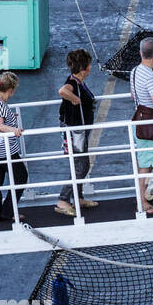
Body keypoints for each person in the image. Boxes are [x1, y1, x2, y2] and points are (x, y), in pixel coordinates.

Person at [55, 49, 97, 217]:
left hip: (80, 130)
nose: (91, 67)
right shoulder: (73, 84)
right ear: (83, 68)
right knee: (81, 166)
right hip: (75, 132)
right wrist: (75, 99)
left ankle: (78, 197)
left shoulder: (79, 82)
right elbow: (62, 91)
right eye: (89, 65)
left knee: (80, 164)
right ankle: (63, 199)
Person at [0, 71, 28, 225]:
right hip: (5, 149)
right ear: (11, 90)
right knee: (21, 176)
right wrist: (14, 130)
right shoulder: (1, 106)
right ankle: (8, 211)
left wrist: (9, 116)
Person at [130, 37, 153, 218]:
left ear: (141, 53)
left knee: (145, 163)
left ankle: (145, 196)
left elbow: (133, 95)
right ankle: (143, 201)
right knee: (145, 165)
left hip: (139, 121)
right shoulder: (150, 76)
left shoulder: (135, 71)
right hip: (149, 126)